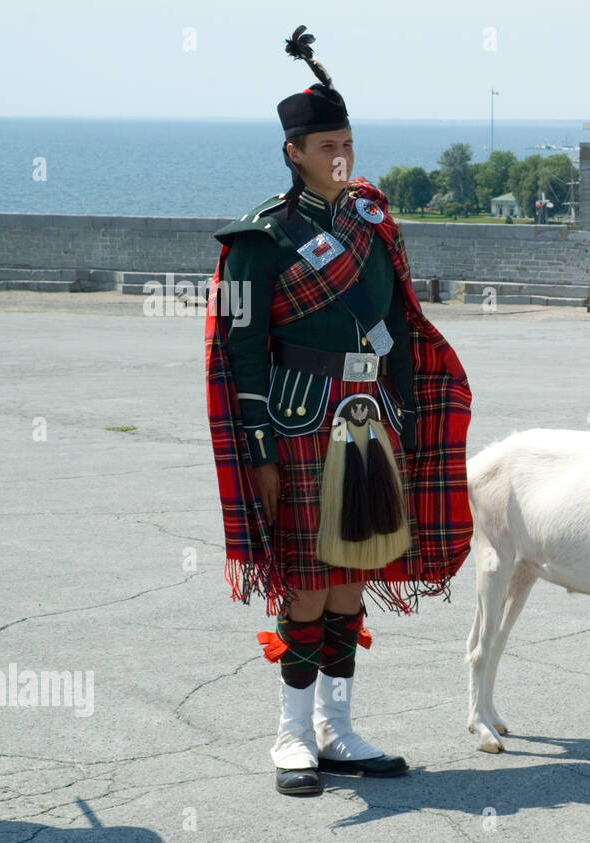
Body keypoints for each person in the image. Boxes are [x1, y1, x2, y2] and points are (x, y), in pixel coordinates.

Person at [204, 26, 473, 796]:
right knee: (307, 582)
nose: (341, 155)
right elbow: (241, 352)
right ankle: (291, 737)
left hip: (369, 416)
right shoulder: (259, 240)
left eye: (348, 142)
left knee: (355, 574)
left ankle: (338, 729)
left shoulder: (372, 222)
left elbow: (399, 328)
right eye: (327, 144)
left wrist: (408, 414)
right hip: (295, 421)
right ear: (294, 151)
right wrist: (257, 449)